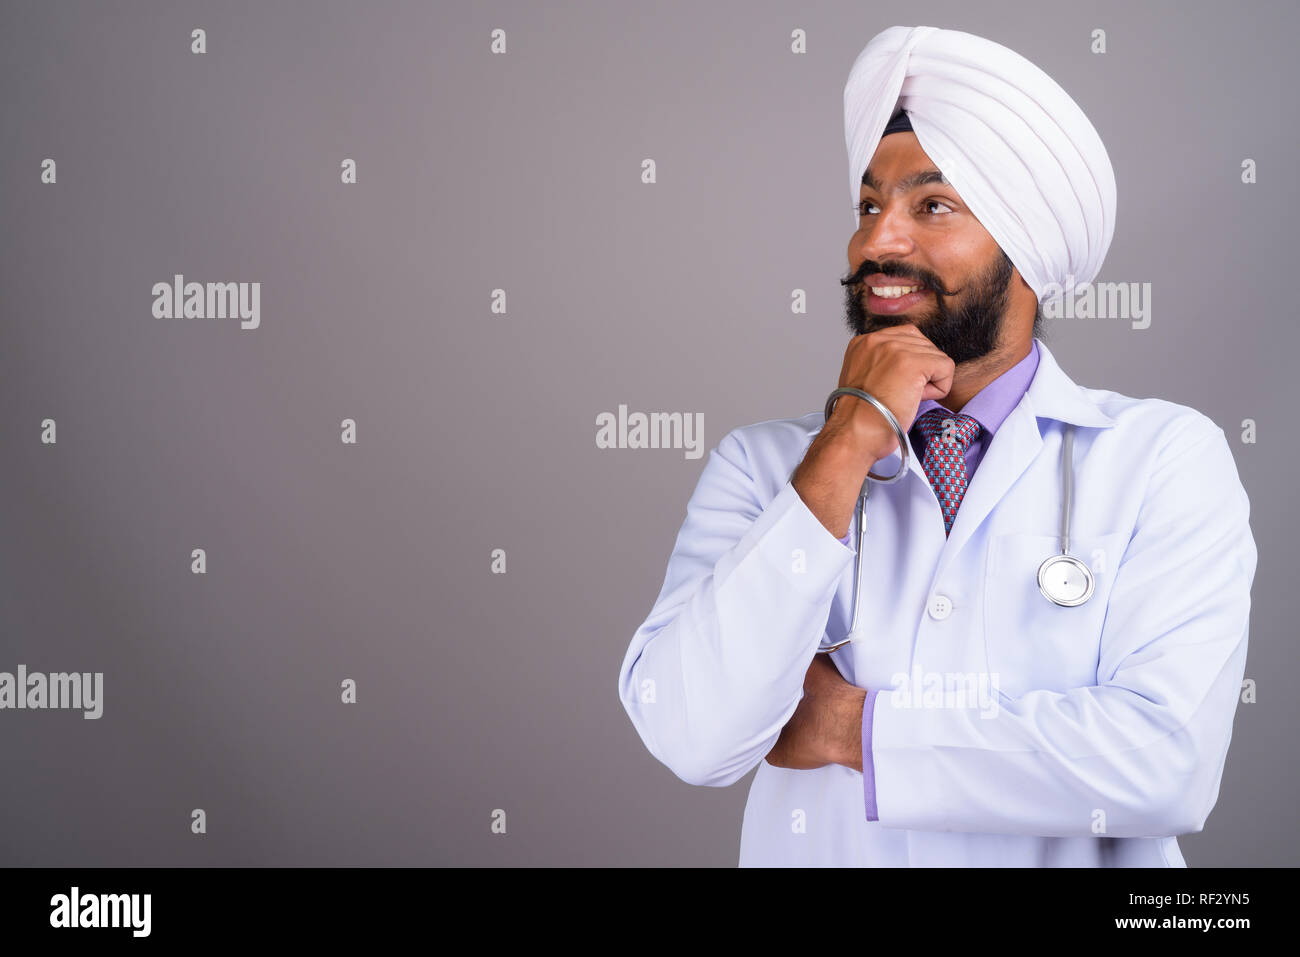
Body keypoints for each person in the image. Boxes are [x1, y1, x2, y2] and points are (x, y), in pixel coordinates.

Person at [615, 25, 1257, 867]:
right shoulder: (764, 466)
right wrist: (843, 446)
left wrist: (855, 728)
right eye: (869, 205)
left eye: (933, 206)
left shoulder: (1163, 457)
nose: (877, 242)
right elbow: (689, 732)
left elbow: (1164, 765)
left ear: (1027, 247)